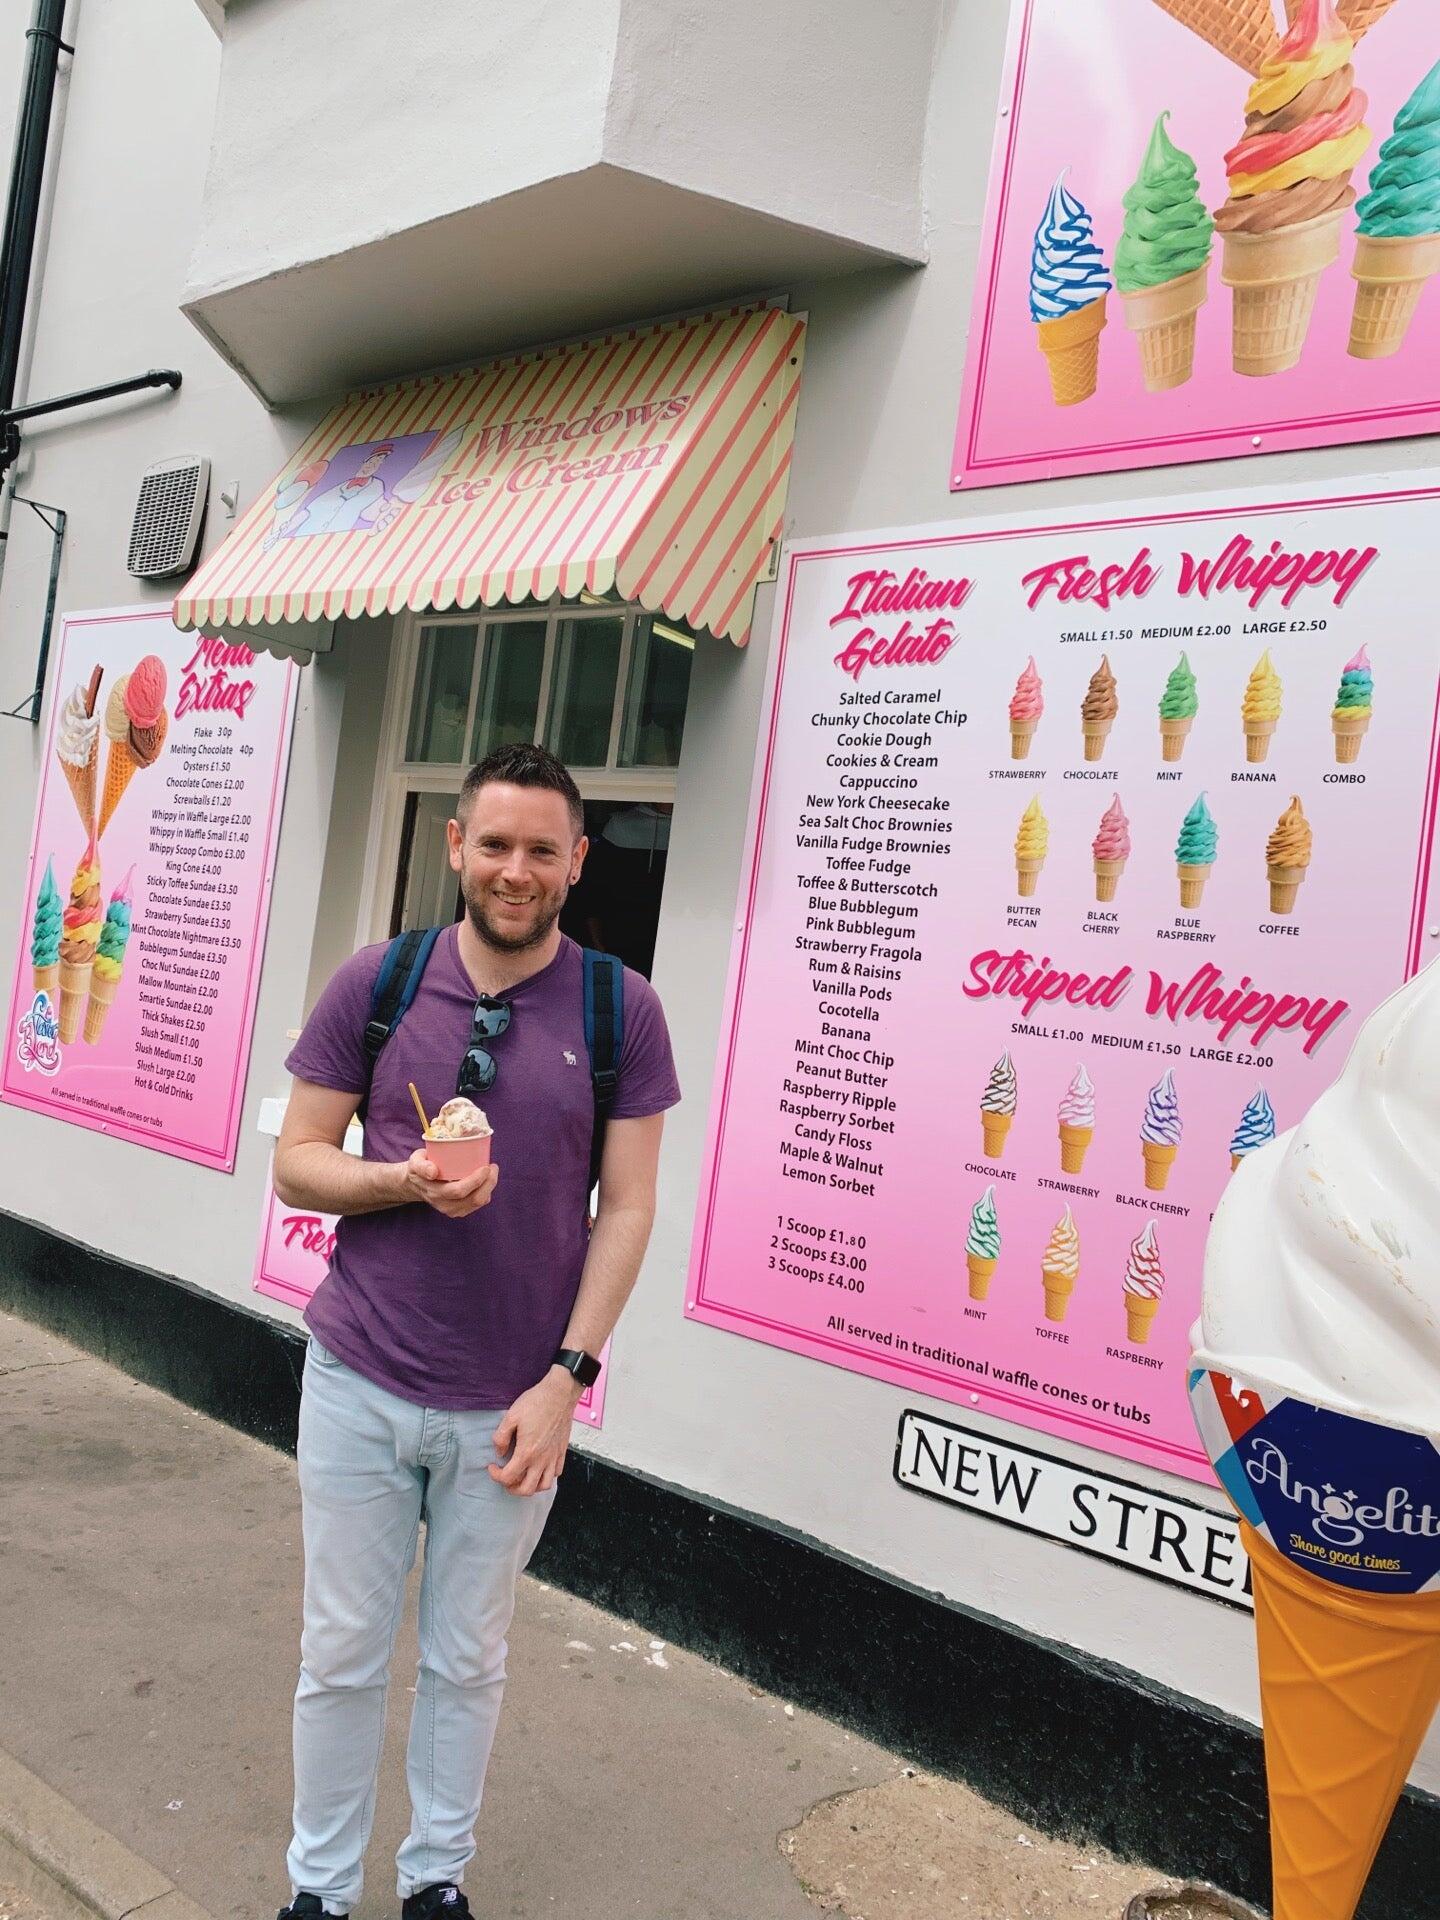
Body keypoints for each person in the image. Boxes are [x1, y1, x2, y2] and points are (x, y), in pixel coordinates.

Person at [272, 742, 679, 1920]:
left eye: (541, 850)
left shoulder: (619, 1009)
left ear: (577, 863)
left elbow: (631, 1208)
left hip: (512, 1405)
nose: (515, 869)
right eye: (494, 843)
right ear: (456, 845)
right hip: (359, 1374)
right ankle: (318, 1892)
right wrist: (405, 1182)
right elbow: (300, 1163)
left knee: (468, 1660)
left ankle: (432, 1882)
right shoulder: (379, 981)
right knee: (340, 1654)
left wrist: (568, 1378)